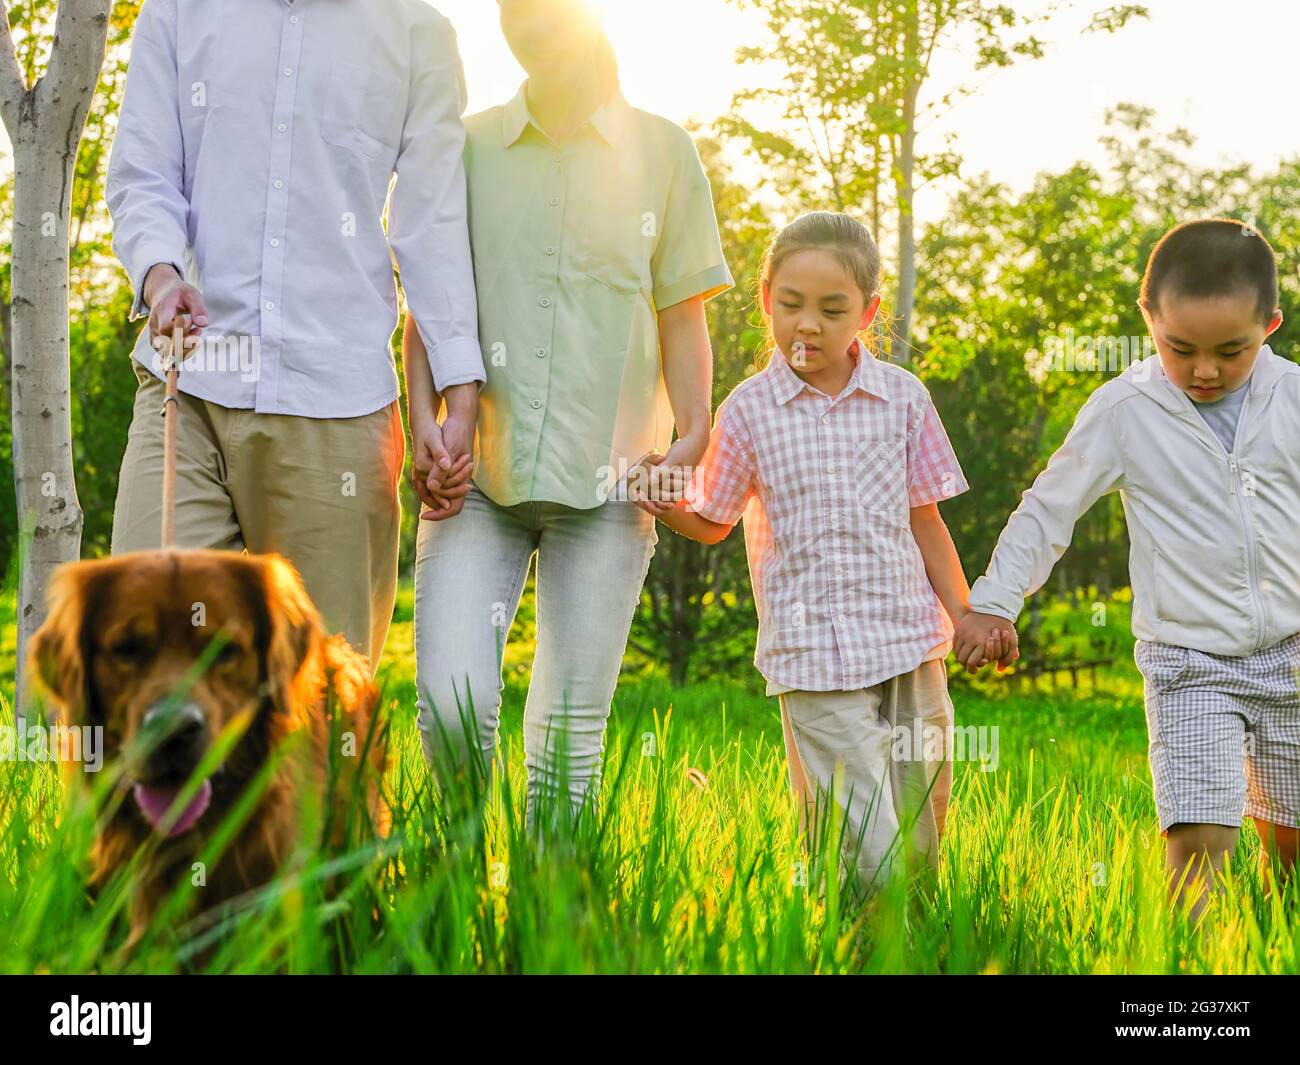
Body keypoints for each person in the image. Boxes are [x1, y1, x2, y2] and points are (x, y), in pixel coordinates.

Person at [404, 0, 733, 833]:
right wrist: (421, 421)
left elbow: (681, 312)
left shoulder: (663, 152)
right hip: (475, 479)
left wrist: (692, 432)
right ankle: (452, 910)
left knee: (566, 744)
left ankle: (548, 933)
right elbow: (429, 308)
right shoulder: (468, 146)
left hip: (615, 485)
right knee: (452, 711)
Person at [105, 0, 484, 672]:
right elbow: (144, 173)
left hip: (337, 408)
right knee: (146, 659)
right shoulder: (177, 13)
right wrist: (161, 277)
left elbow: (432, 227)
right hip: (187, 386)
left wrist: (459, 398)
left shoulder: (418, 35)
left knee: (323, 703)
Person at [957, 218, 1298, 913]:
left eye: (1230, 351)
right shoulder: (1124, 409)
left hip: (1293, 654)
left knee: (1290, 856)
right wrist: (994, 600)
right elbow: (1048, 509)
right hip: (1189, 659)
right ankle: (1193, 983)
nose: (1204, 370)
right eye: (1180, 348)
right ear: (1148, 318)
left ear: (1271, 323)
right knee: (1200, 836)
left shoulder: (1292, 397)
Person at [657, 211, 989, 895]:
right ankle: (860, 941)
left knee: (919, 827)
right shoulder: (748, 411)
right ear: (765, 297)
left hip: (909, 646)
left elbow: (925, 520)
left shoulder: (902, 398)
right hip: (813, 657)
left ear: (866, 312)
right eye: (790, 304)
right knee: (864, 840)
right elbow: (712, 519)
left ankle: (908, 945)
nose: (807, 324)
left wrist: (965, 613)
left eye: (832, 309)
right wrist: (661, 499)